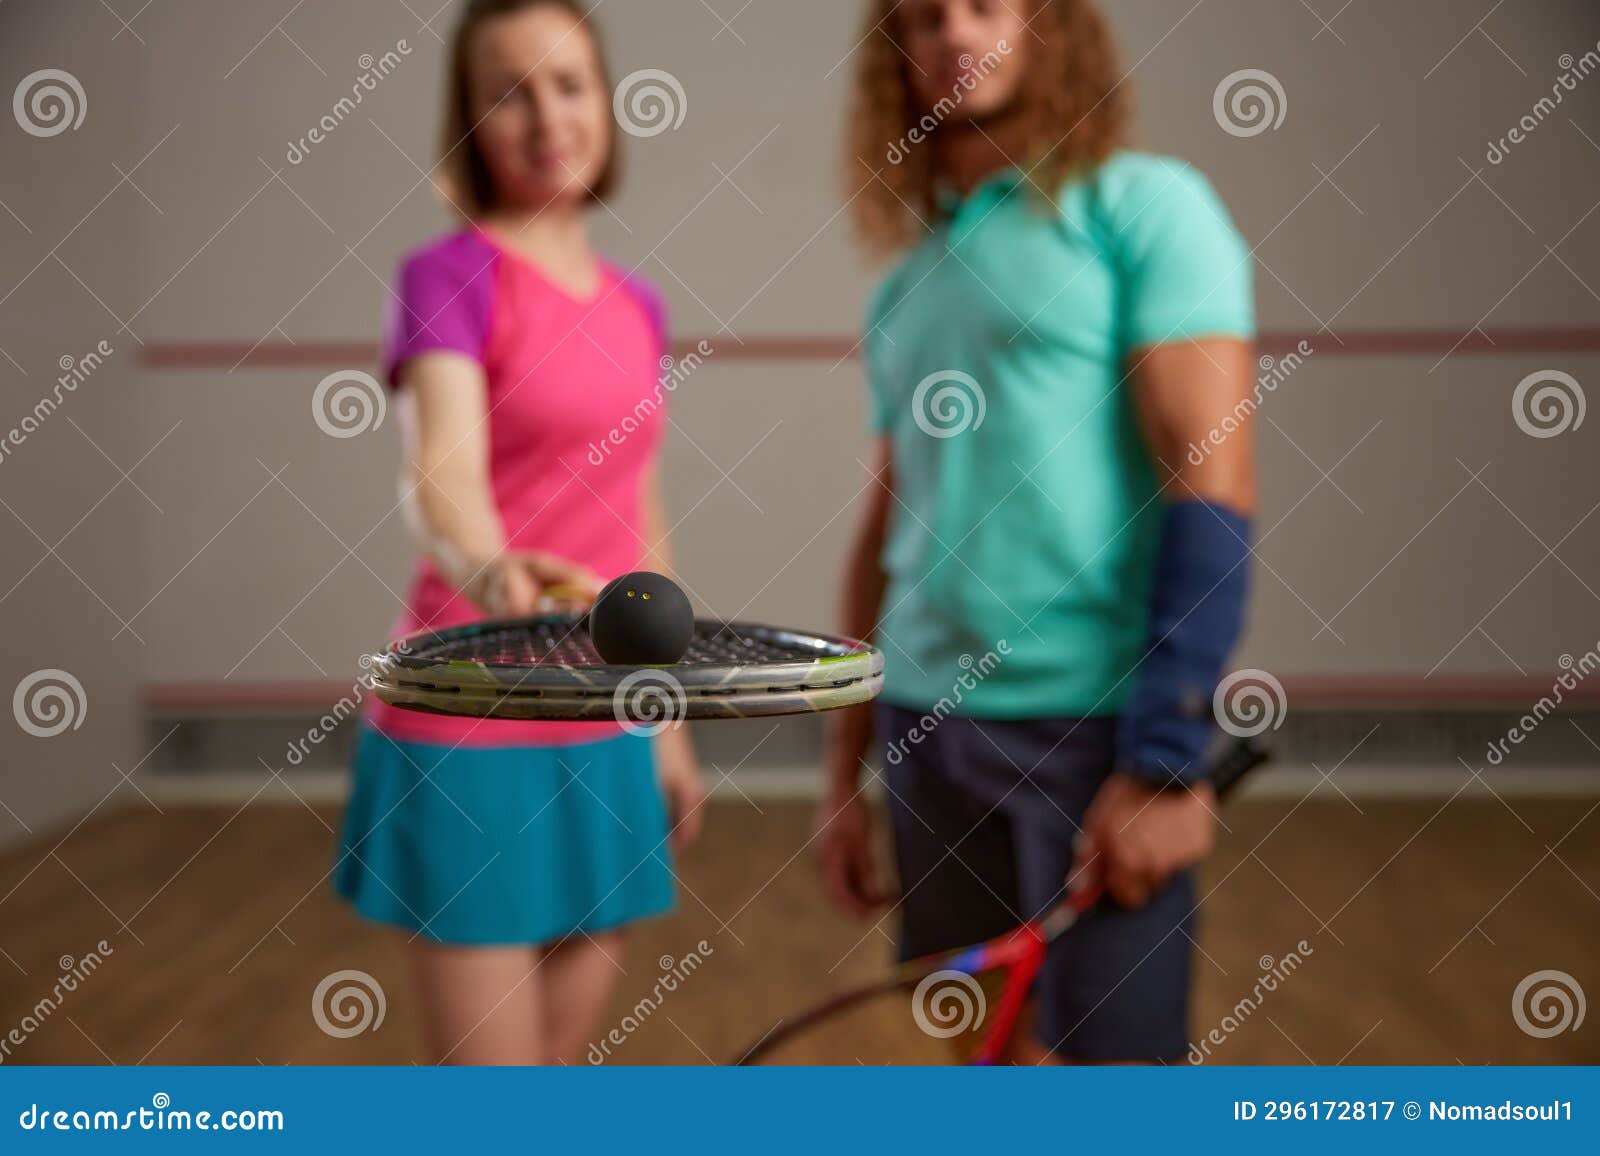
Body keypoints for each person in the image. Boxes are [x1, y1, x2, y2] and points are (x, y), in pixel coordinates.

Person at [819, 0, 1256, 1064]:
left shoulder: (1145, 207)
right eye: (923, 19)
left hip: (1091, 733)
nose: (954, 35)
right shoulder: (907, 281)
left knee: (1114, 1081)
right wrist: (841, 777)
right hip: (923, 728)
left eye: (984, 7)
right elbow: (889, 520)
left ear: (1050, 29)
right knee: (984, 1064)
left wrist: (1164, 761)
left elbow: (1213, 483)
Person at [332, 0, 703, 1065]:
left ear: (607, 103)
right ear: (471, 118)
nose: (547, 115)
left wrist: (665, 720)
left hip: (606, 723)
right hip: (469, 717)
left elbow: (639, 516)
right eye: (510, 90)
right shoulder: (444, 278)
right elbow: (440, 471)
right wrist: (494, 572)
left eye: (570, 83)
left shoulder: (637, 305)